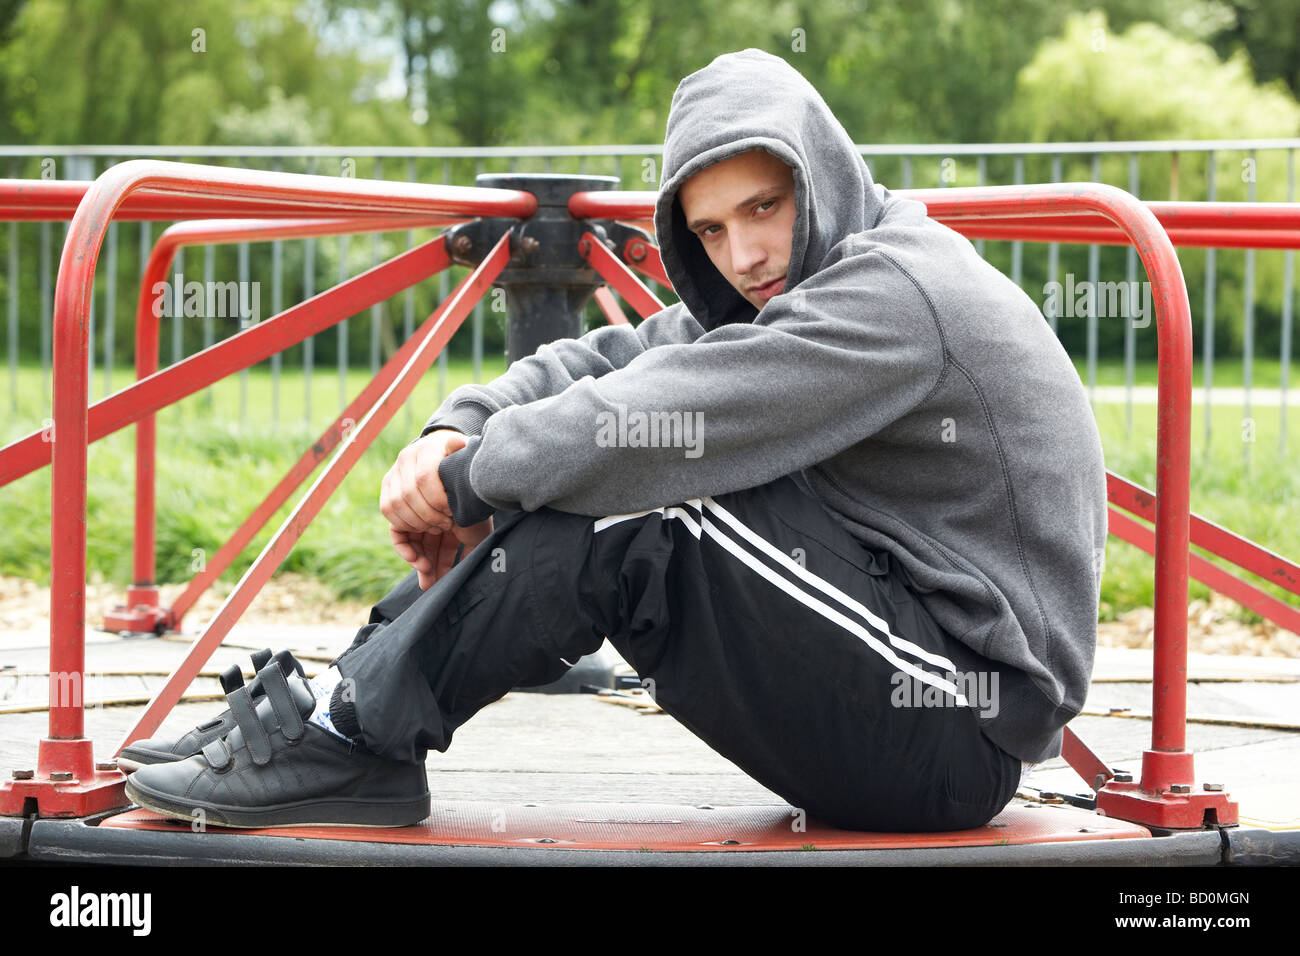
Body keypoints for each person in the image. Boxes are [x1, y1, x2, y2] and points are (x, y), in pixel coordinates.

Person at [122, 48, 1107, 833]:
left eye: (765, 206)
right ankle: (343, 708)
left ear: (823, 172)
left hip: (950, 727)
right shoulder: (798, 281)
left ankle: (347, 731)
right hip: (893, 663)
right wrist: (455, 426)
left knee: (638, 491)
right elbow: (625, 354)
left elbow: (644, 425)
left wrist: (472, 480)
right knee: (595, 464)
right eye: (710, 230)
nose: (745, 252)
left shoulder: (895, 292)